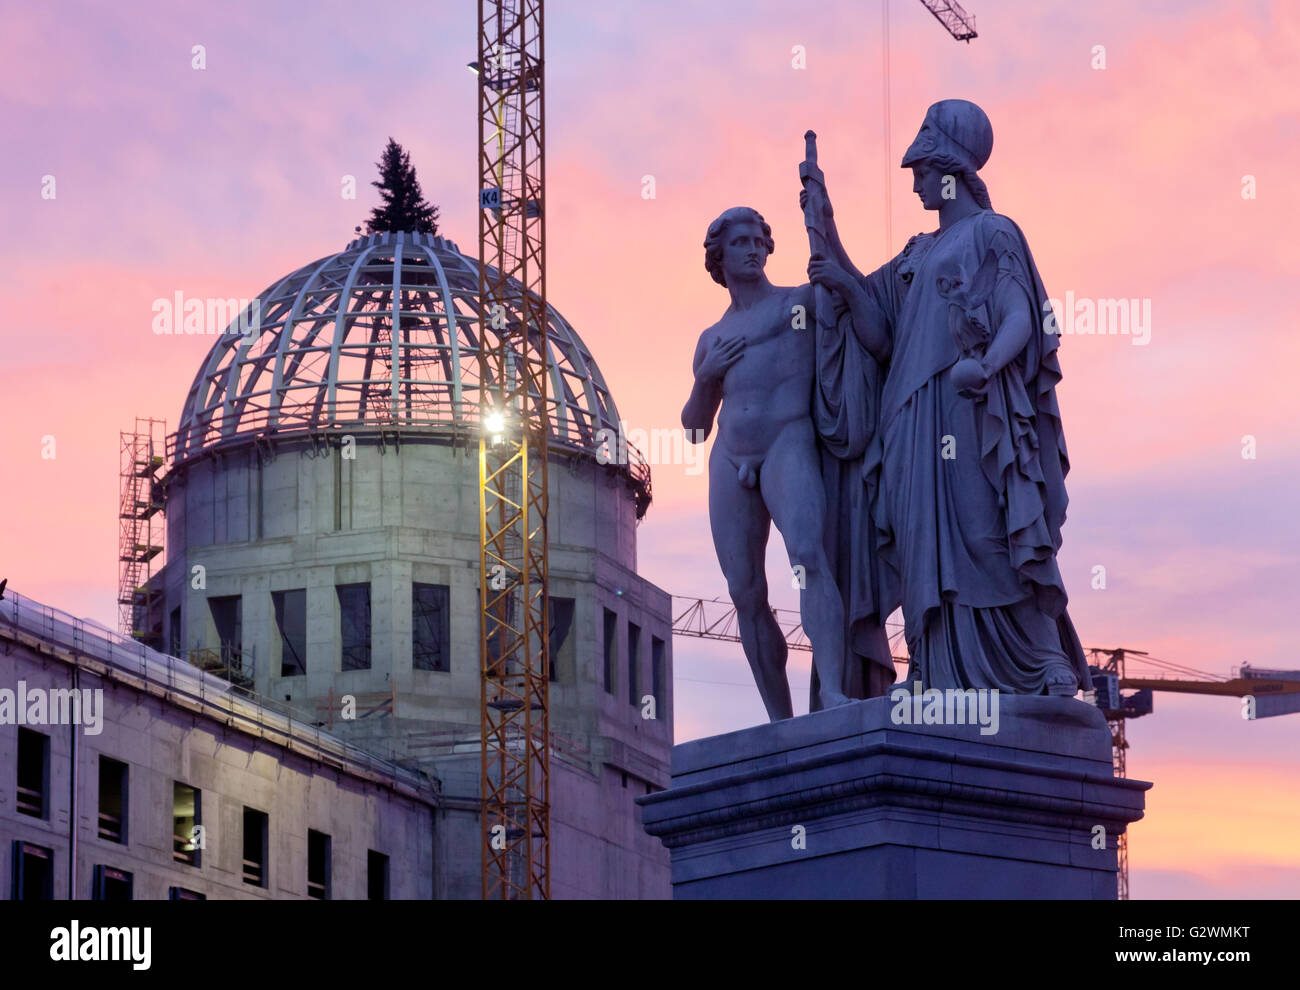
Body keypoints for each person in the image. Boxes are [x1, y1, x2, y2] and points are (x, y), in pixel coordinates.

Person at [805, 100, 1091, 695]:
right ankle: (933, 671)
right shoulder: (914, 254)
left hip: (970, 405)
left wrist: (987, 364)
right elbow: (880, 332)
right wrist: (825, 230)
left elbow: (1022, 315)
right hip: (908, 418)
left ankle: (1040, 659)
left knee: (991, 530)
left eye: (920, 172)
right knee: (920, 551)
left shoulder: (993, 231)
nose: (914, 185)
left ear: (949, 171)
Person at [681, 206, 850, 721]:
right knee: (744, 591)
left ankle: (835, 694)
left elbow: (851, 310)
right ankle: (780, 720)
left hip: (787, 442)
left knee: (807, 556)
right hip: (730, 457)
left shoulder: (797, 305)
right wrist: (705, 378)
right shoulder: (710, 339)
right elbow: (693, 428)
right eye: (740, 243)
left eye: (759, 240)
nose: (754, 249)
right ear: (719, 257)